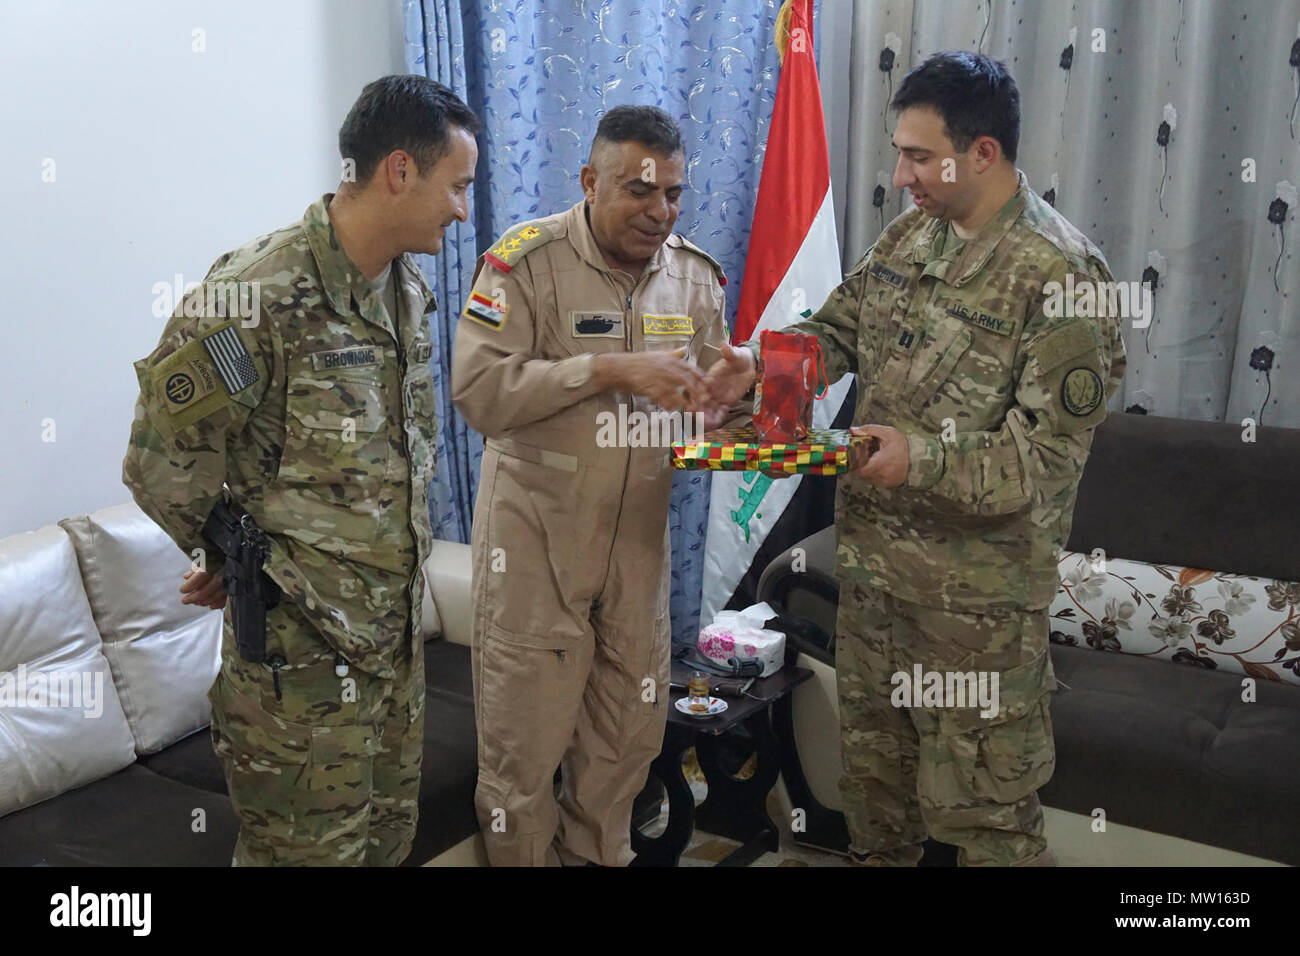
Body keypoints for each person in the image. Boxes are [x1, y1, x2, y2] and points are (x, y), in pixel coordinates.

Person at [707, 52, 1127, 866]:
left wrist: (919, 460)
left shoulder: (1062, 276)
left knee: (988, 828)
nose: (900, 175)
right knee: (877, 812)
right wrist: (761, 367)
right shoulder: (912, 237)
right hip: (874, 597)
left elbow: (1040, 462)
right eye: (898, 152)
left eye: (916, 155)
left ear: (982, 154)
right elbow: (835, 334)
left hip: (976, 620)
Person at [122, 75, 480, 866]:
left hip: (392, 658)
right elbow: (157, 465)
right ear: (399, 171)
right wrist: (233, 551)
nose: (463, 210)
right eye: (456, 187)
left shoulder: (406, 294)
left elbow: (401, 459)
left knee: (388, 847)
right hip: (299, 673)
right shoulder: (254, 298)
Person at [452, 105, 740, 866]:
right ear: (590, 181)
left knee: (624, 744)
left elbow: (710, 406)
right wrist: (605, 369)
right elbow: (479, 393)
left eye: (674, 193)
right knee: (521, 757)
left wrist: (742, 398)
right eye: (640, 190)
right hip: (536, 548)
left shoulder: (695, 277)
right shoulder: (526, 263)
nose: (660, 211)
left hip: (639, 547)